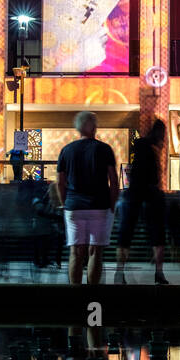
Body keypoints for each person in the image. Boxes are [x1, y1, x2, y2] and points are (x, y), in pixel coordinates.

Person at [57, 111, 119, 286]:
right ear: (93, 127)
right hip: (99, 206)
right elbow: (113, 180)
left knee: (76, 252)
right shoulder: (104, 149)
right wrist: (112, 204)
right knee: (95, 252)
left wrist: (65, 203)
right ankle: (92, 294)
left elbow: (59, 182)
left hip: (74, 206)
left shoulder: (66, 150)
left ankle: (76, 295)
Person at [115, 119, 168, 285]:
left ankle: (119, 271)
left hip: (134, 192)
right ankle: (159, 273)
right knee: (158, 236)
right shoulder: (154, 147)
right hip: (151, 193)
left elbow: (135, 170)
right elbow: (153, 175)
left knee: (126, 234)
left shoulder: (140, 145)